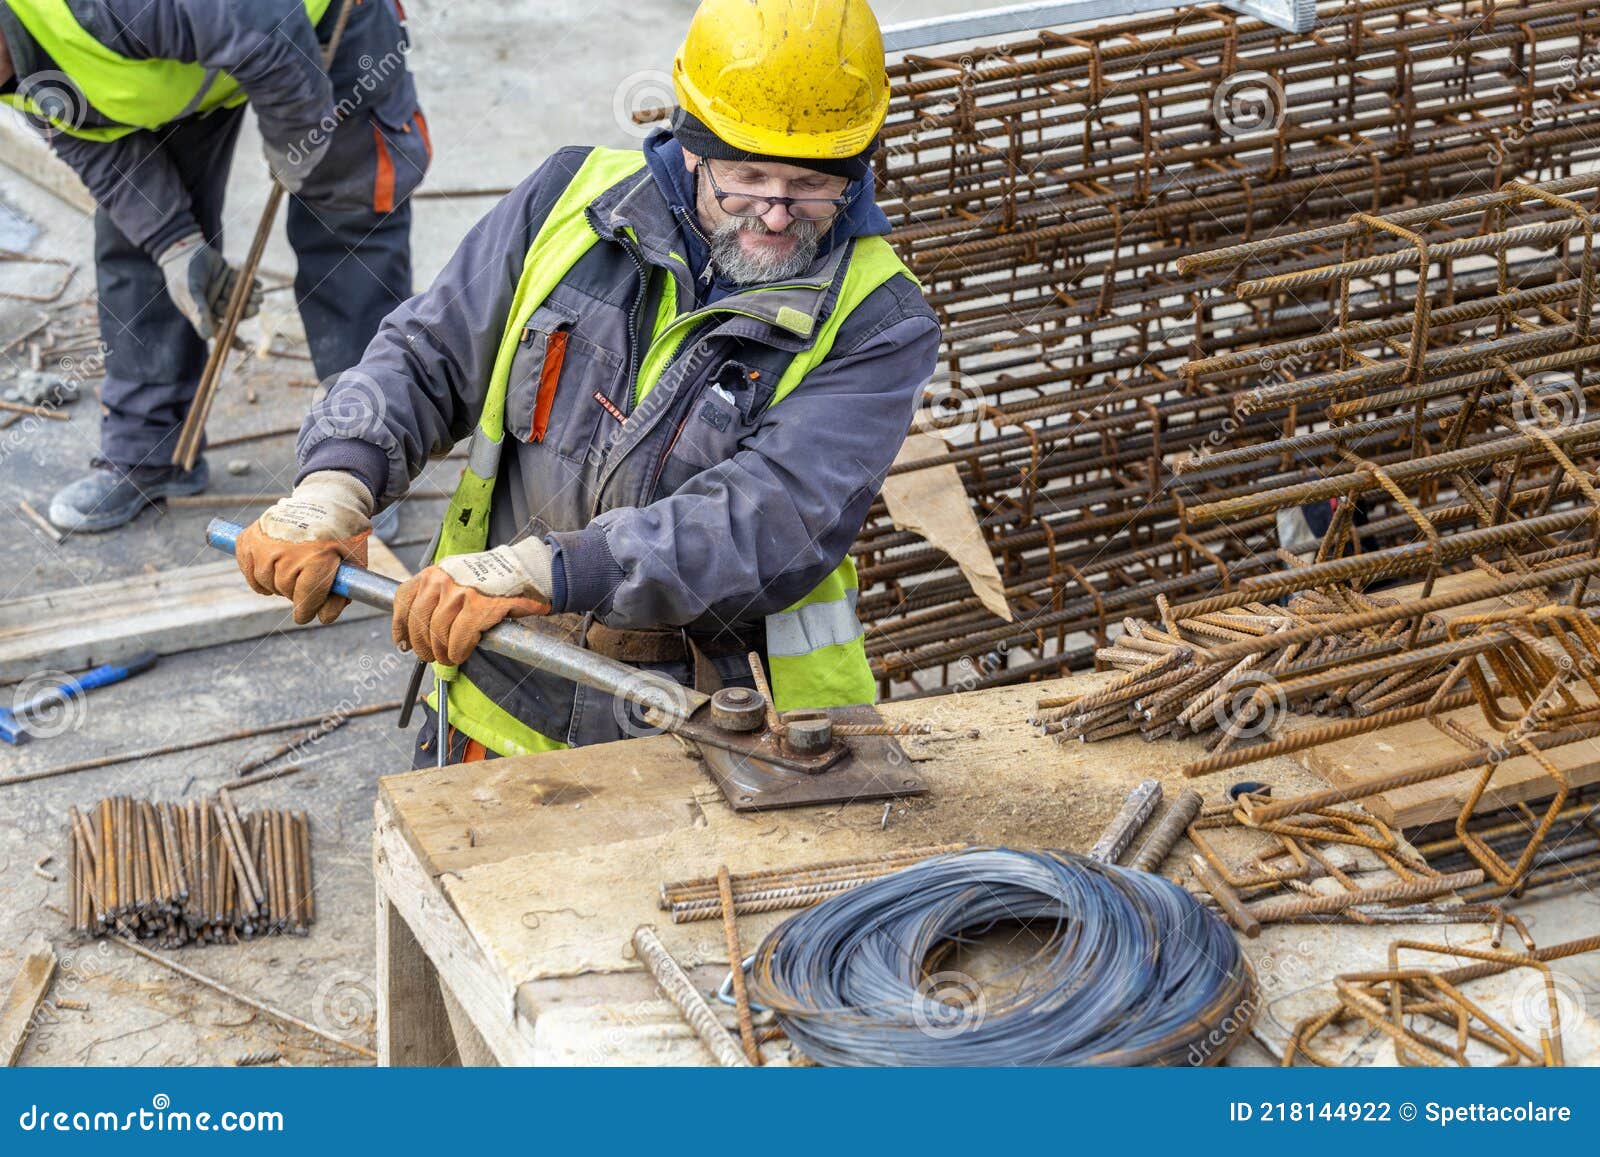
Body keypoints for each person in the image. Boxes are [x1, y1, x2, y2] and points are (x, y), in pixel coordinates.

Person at [233, 0, 940, 767]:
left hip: (727, 735)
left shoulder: (880, 319)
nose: (773, 214)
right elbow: (428, 352)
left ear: (858, 166)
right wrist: (336, 480)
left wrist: (554, 570)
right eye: (748, 176)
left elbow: (769, 515)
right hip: (495, 690)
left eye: (807, 185)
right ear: (692, 143)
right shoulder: (573, 197)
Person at [0, 0, 429, 531]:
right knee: (136, 234)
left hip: (312, 20)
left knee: (347, 212)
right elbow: (99, 151)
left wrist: (296, 143)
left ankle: (356, 471)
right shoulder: (17, 65)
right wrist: (176, 245)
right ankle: (151, 449)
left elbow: (268, 31)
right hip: (192, 53)